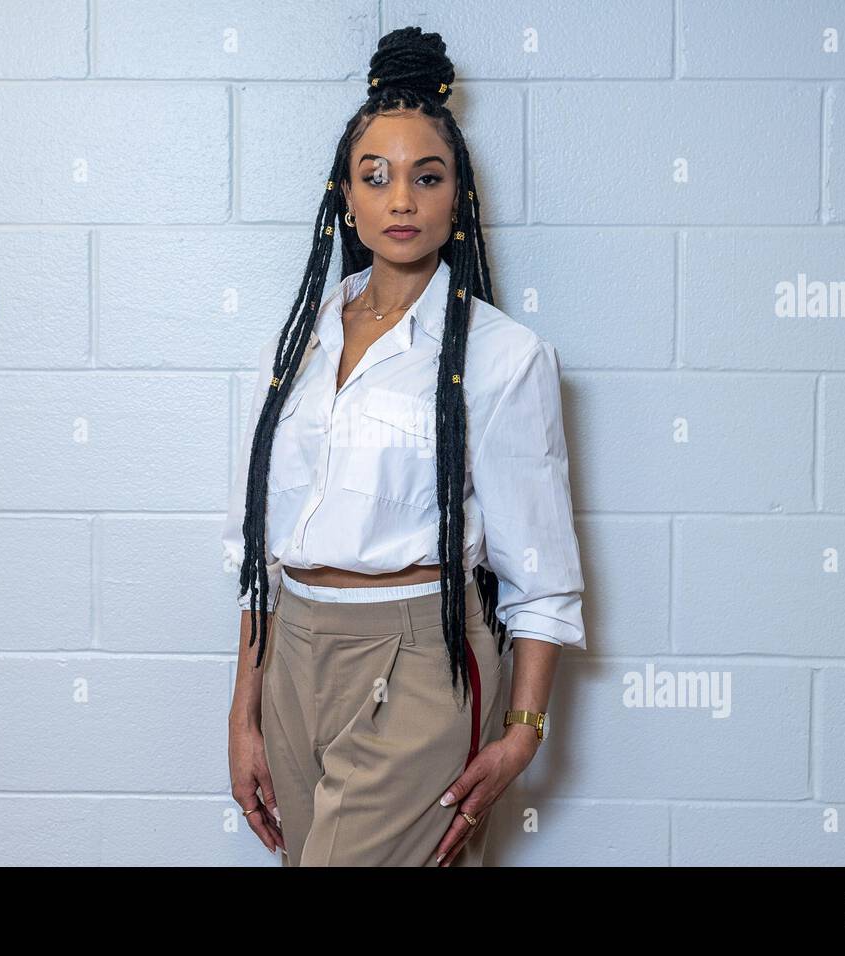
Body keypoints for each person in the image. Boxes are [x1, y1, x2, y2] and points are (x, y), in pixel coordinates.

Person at [222, 26, 585, 867]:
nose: (402, 200)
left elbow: (542, 574)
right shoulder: (295, 350)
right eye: (375, 177)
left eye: (428, 177)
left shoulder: (500, 356)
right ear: (345, 197)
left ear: (458, 197)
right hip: (291, 658)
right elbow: (258, 553)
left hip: (420, 662)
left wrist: (525, 733)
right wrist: (244, 713)